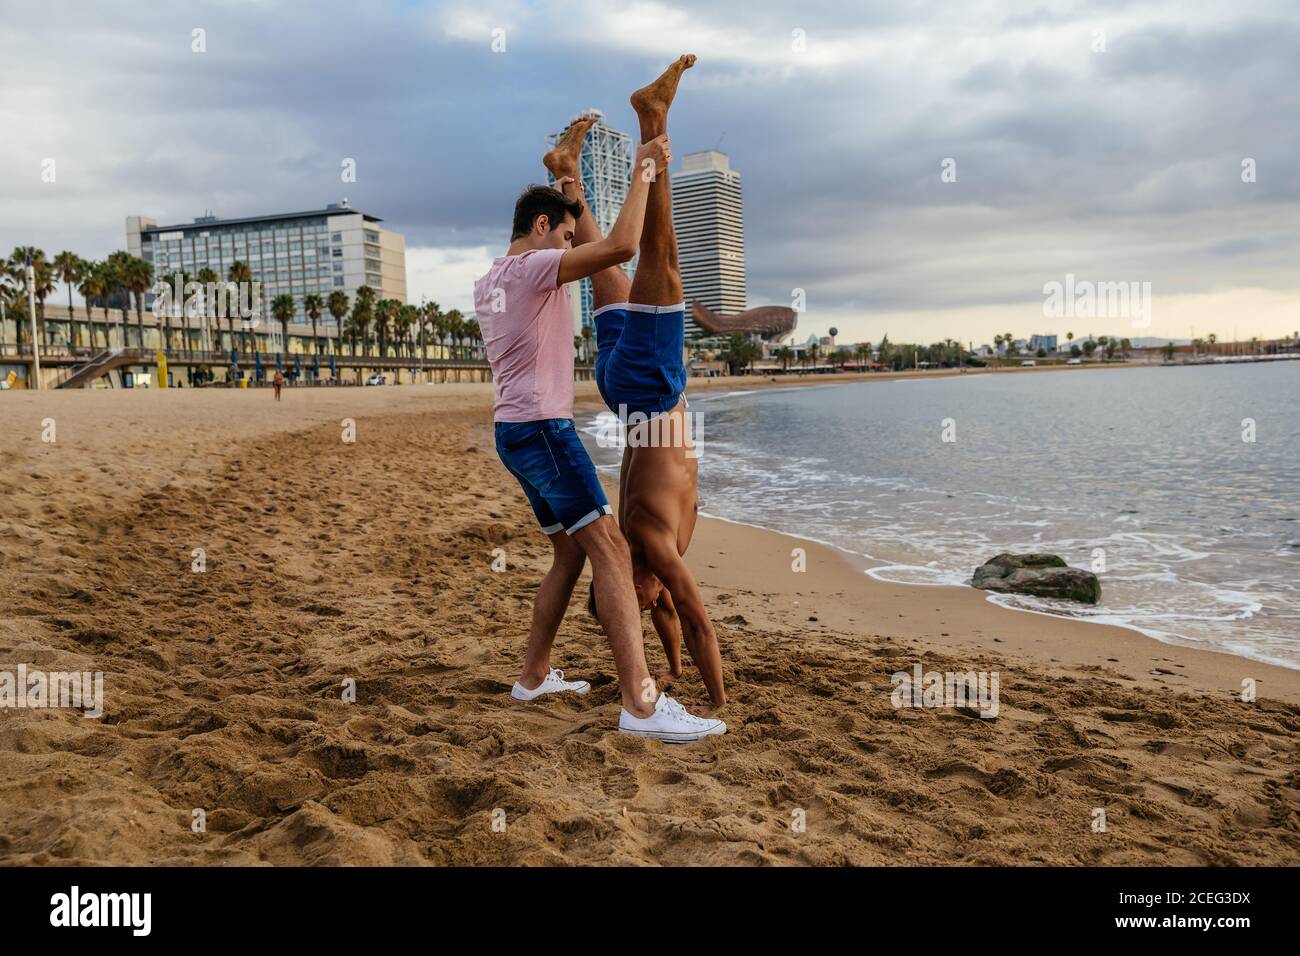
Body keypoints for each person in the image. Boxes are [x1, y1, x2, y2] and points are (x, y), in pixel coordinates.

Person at [474, 58, 725, 743]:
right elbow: (619, 243)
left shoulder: (490, 279)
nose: (568, 243)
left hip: (517, 433)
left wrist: (568, 182)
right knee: (612, 551)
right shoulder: (531, 266)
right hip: (546, 432)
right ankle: (641, 705)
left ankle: (533, 674)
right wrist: (646, 163)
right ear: (542, 227)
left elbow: (599, 255)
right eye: (562, 228)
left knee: (570, 554)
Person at [548, 58, 726, 715]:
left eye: (639, 602)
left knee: (662, 256)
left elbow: (698, 619)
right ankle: (566, 175)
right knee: (606, 270)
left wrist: (717, 702)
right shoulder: (640, 561)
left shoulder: (647, 551)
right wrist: (674, 669)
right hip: (623, 386)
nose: (653, 609)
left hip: (649, 390)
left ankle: (654, 120)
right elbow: (678, 622)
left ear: (631, 585)